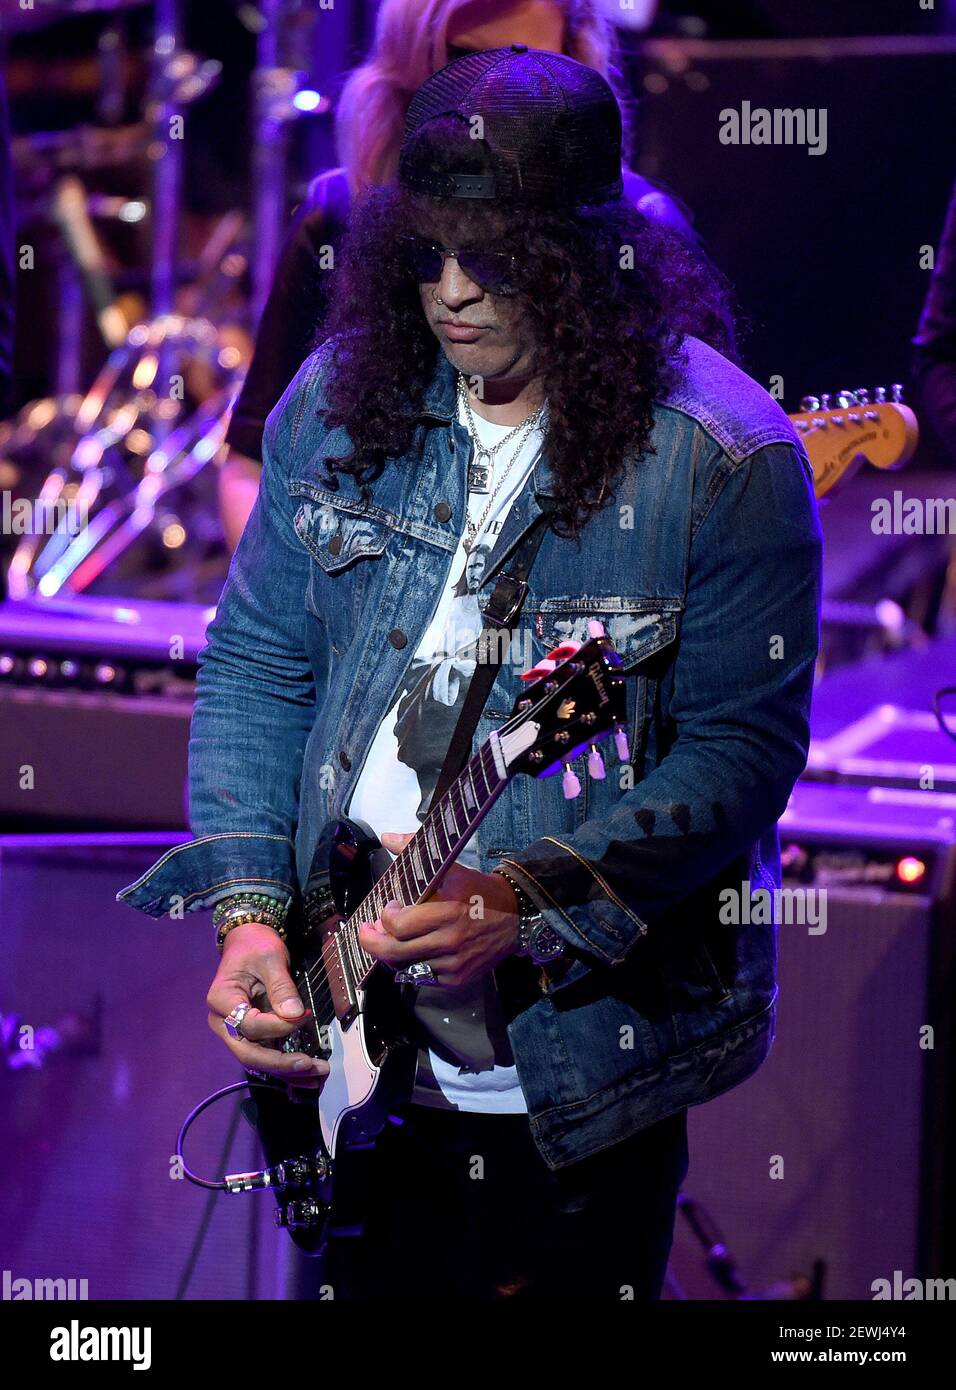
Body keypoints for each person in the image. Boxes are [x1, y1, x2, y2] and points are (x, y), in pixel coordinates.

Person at [120, 45, 821, 1300]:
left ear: (583, 262)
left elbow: (738, 756)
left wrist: (526, 902)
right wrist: (244, 918)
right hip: (345, 1034)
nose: (448, 295)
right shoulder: (335, 401)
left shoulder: (720, 457)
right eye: (425, 254)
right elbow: (257, 662)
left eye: (491, 263)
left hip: (571, 1081)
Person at [218, 0, 701, 550]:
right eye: (464, 60)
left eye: (525, 64)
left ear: (575, 63)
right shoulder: (338, 211)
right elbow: (252, 464)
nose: (492, 90)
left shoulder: (640, 231)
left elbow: (702, 473)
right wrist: (279, 620)